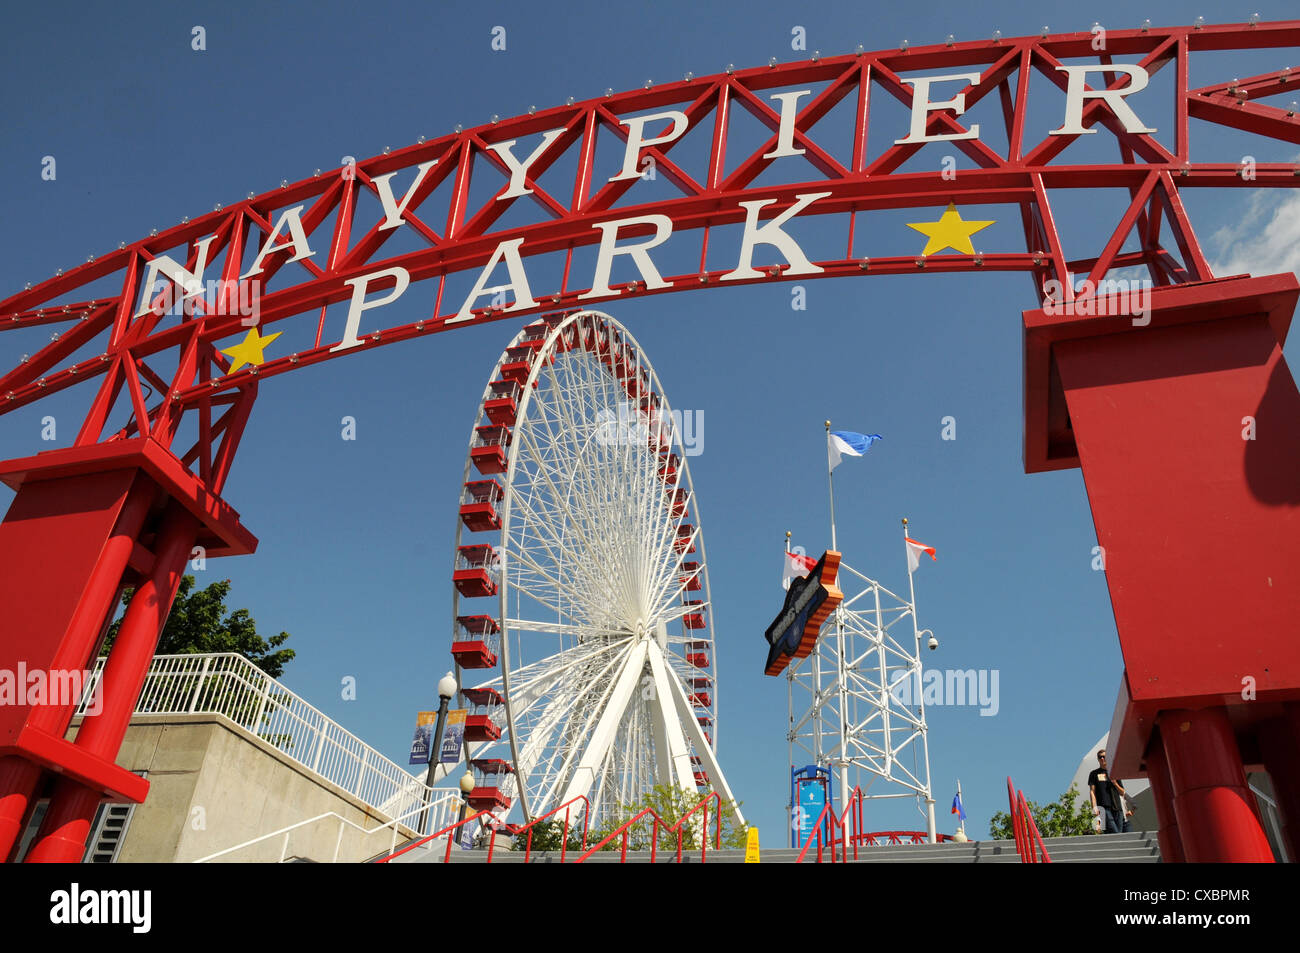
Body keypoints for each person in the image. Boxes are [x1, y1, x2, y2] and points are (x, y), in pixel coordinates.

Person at [1087, 749, 1132, 833]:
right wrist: (1094, 807)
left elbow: (1122, 792)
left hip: (1117, 808)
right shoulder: (1094, 774)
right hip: (1104, 808)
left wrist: (1115, 783)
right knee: (1114, 831)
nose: (1102, 759)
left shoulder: (1114, 772)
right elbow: (1092, 792)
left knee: (1118, 833)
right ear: (1098, 759)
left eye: (1104, 757)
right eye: (1100, 757)